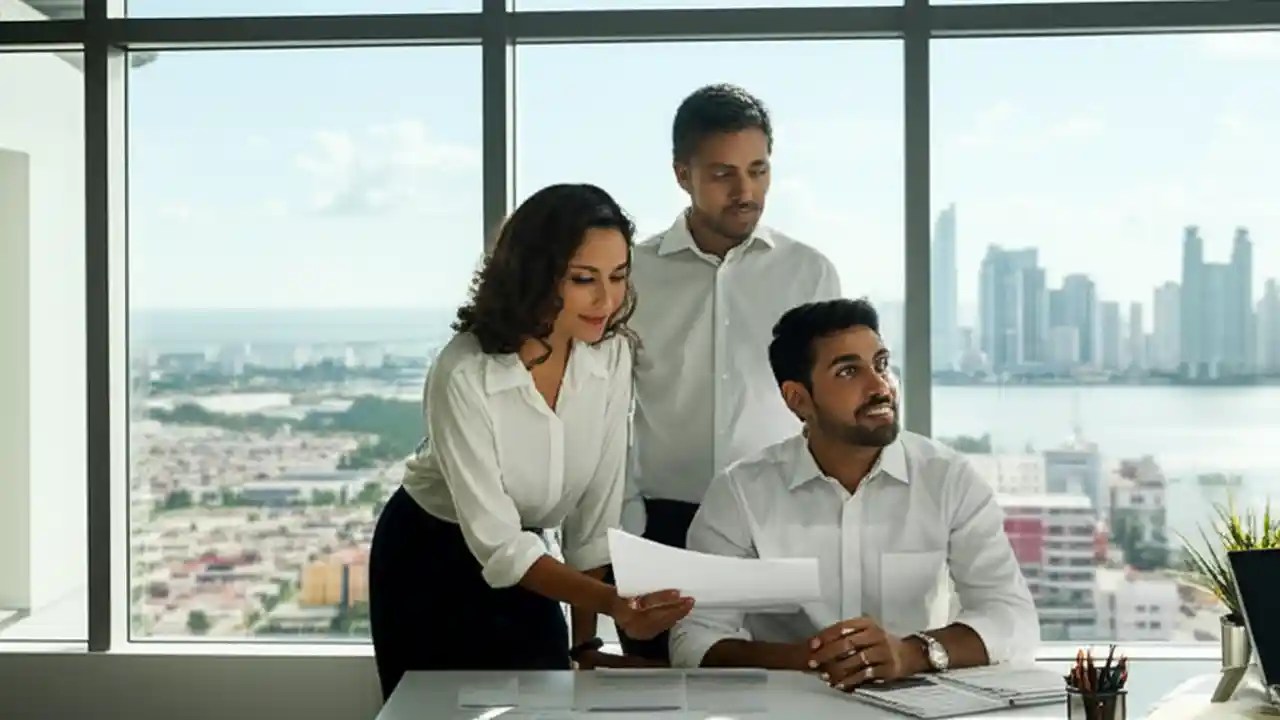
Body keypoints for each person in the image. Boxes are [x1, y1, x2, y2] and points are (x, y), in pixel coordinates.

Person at [368, 183, 694, 701]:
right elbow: (497, 545)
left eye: (619, 276)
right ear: (536, 275)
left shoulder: (610, 357)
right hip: (431, 560)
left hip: (535, 564)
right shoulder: (463, 371)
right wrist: (615, 603)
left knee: (553, 697)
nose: (607, 300)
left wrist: (585, 646)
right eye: (584, 279)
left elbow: (594, 514)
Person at [668, 298, 1039, 689]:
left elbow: (1012, 619)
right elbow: (694, 639)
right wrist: (806, 659)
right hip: (790, 709)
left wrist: (910, 653)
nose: (880, 386)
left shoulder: (948, 479)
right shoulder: (740, 493)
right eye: (848, 371)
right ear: (798, 399)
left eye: (881, 364)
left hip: (917, 708)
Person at [619, 83, 842, 663]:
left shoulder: (809, 273)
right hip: (664, 527)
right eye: (723, 174)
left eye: (759, 170)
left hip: (779, 525)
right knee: (660, 695)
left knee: (787, 692)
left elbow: (831, 408)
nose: (747, 192)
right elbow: (606, 413)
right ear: (681, 174)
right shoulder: (632, 274)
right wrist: (625, 528)